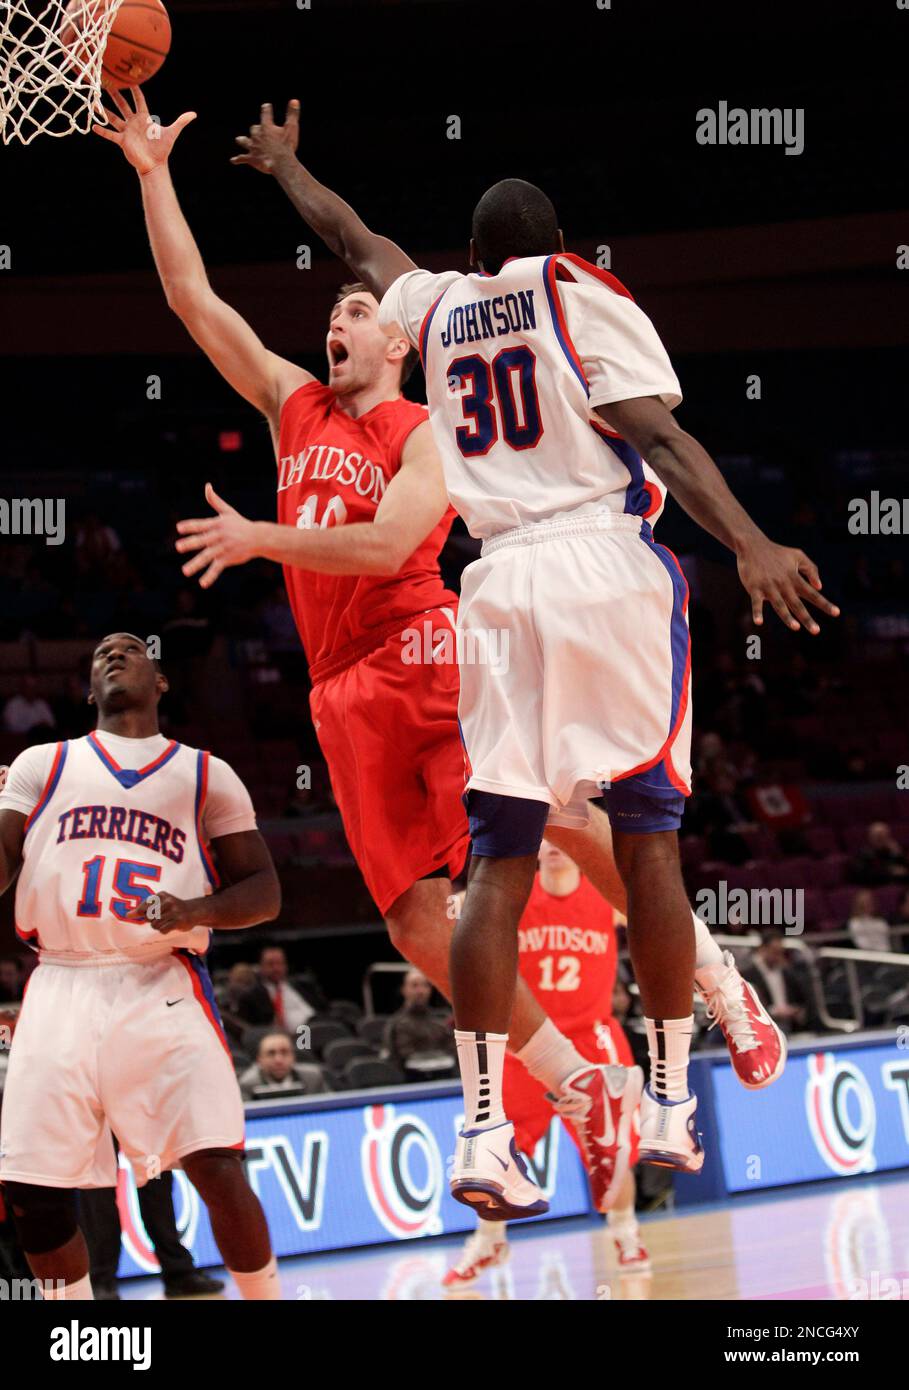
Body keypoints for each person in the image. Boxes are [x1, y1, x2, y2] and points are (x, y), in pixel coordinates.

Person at [94, 92, 786, 1218]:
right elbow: (192, 296)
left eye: (363, 309)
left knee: (562, 816)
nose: (344, 314)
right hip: (339, 692)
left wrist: (261, 536)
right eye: (337, 309)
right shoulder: (289, 404)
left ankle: (717, 979)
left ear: (402, 338)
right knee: (421, 917)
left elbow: (377, 548)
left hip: (426, 644)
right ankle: (576, 1085)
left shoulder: (425, 432)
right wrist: (150, 173)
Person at [0, 632, 283, 1300]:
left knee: (214, 1166)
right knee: (33, 1190)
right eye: (100, 655)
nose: (113, 654)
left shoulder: (206, 774)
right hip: (60, 980)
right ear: (88, 690)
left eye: (130, 648)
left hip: (159, 979)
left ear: (160, 682)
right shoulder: (42, 764)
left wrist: (193, 910)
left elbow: (263, 893)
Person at [444, 842, 650, 1290]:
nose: (555, 847)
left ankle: (626, 1235)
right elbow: (447, 912)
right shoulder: (512, 894)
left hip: (591, 1037)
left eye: (563, 840)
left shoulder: (605, 897)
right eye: (546, 840)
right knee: (494, 1152)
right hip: (527, 1044)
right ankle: (489, 1239)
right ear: (533, 848)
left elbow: (657, 913)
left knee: (613, 1148)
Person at [79, 1157, 225, 1300]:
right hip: (100, 1134)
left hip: (148, 1135)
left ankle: (179, 1273)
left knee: (157, 1183)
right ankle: (101, 1279)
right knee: (98, 1192)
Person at [385, 968, 456, 1071]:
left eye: (425, 985)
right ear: (404, 989)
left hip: (445, 1075)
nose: (420, 991)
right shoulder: (396, 1024)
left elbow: (452, 1049)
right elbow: (400, 1058)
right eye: (414, 985)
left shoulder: (441, 1020)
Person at [741, 931, 811, 1034]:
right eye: (774, 952)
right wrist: (773, 1012)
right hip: (762, 1027)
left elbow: (802, 999)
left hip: (790, 1025)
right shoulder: (749, 975)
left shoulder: (788, 972)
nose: (778, 956)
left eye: (780, 952)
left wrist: (796, 1011)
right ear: (762, 949)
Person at [238, 1031, 325, 1101]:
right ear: (259, 1060)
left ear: (293, 1056)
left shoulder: (313, 1078)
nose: (278, 1060)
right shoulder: (247, 1085)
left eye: (284, 1052)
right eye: (271, 1053)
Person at [258, 945, 314, 1033]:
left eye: (279, 963)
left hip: (314, 1033)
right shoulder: (253, 995)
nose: (276, 968)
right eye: (270, 964)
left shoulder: (302, 986)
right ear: (261, 967)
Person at [850, 822, 909, 887]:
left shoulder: (893, 851)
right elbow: (861, 876)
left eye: (885, 836)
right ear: (870, 838)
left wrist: (898, 854)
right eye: (879, 836)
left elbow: (904, 869)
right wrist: (890, 872)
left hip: (899, 884)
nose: (883, 839)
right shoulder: (864, 854)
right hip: (876, 886)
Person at [845, 889, 891, 953]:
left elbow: (885, 942)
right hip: (868, 957)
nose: (869, 904)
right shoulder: (855, 922)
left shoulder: (880, 921)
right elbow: (862, 944)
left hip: (885, 954)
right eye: (865, 902)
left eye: (871, 901)